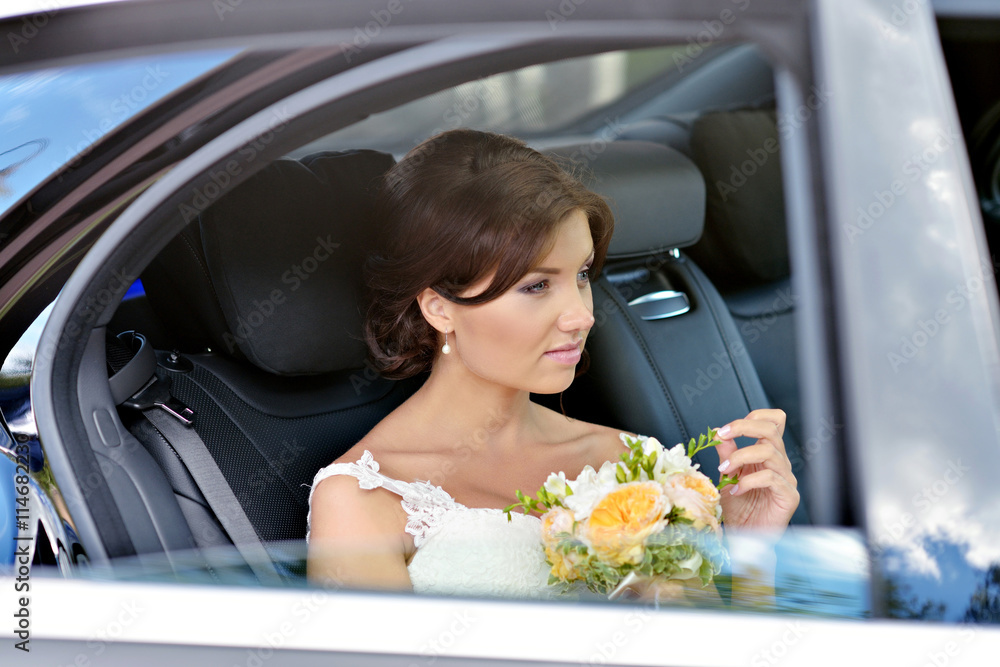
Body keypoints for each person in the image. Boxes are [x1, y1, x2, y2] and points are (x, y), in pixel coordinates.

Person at [306, 129, 799, 597]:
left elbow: (714, 645)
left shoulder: (630, 461)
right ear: (439, 307)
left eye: (581, 274)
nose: (582, 315)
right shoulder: (365, 498)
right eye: (537, 285)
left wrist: (752, 552)